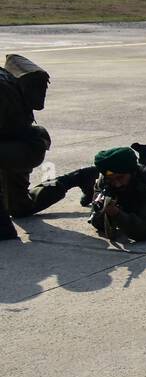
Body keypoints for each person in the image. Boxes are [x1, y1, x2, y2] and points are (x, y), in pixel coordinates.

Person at [0, 54, 95, 241]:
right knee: (20, 208)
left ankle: (2, 229)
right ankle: (76, 178)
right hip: (15, 143)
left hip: (24, 147)